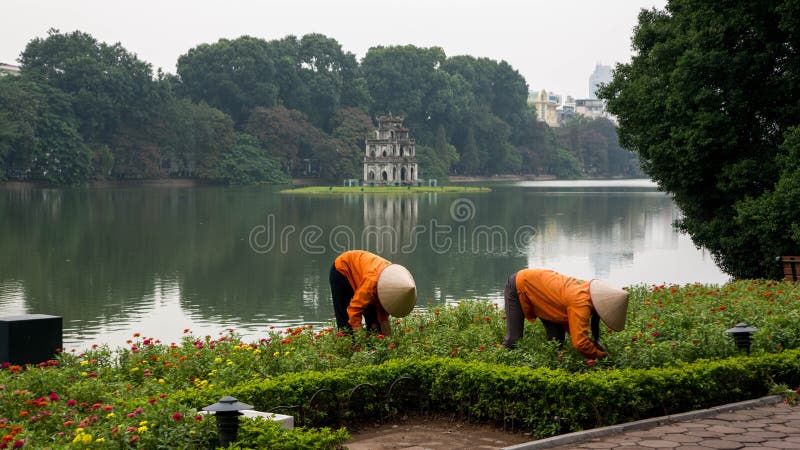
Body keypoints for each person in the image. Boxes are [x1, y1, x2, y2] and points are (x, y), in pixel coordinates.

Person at [502, 268, 629, 360]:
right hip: (520, 284)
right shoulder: (581, 302)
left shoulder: (587, 291)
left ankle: (550, 371)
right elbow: (580, 344)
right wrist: (601, 356)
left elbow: (574, 328)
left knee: (556, 339)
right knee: (514, 339)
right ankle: (502, 363)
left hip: (545, 295)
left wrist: (594, 346)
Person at [330, 250, 417, 335]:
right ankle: (349, 346)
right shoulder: (371, 283)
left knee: (375, 324)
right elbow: (354, 311)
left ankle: (372, 344)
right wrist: (360, 342)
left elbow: (383, 315)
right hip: (341, 270)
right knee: (345, 323)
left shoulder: (392, 282)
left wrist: (388, 340)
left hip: (364, 274)